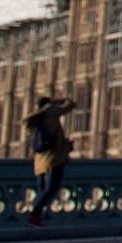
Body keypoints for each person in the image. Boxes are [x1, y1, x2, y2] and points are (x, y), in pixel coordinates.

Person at [23, 95, 75, 226]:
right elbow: (70, 104)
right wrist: (57, 101)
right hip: (53, 159)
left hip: (39, 161)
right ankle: (34, 215)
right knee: (52, 188)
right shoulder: (50, 112)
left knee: (42, 190)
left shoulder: (33, 119)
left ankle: (35, 218)